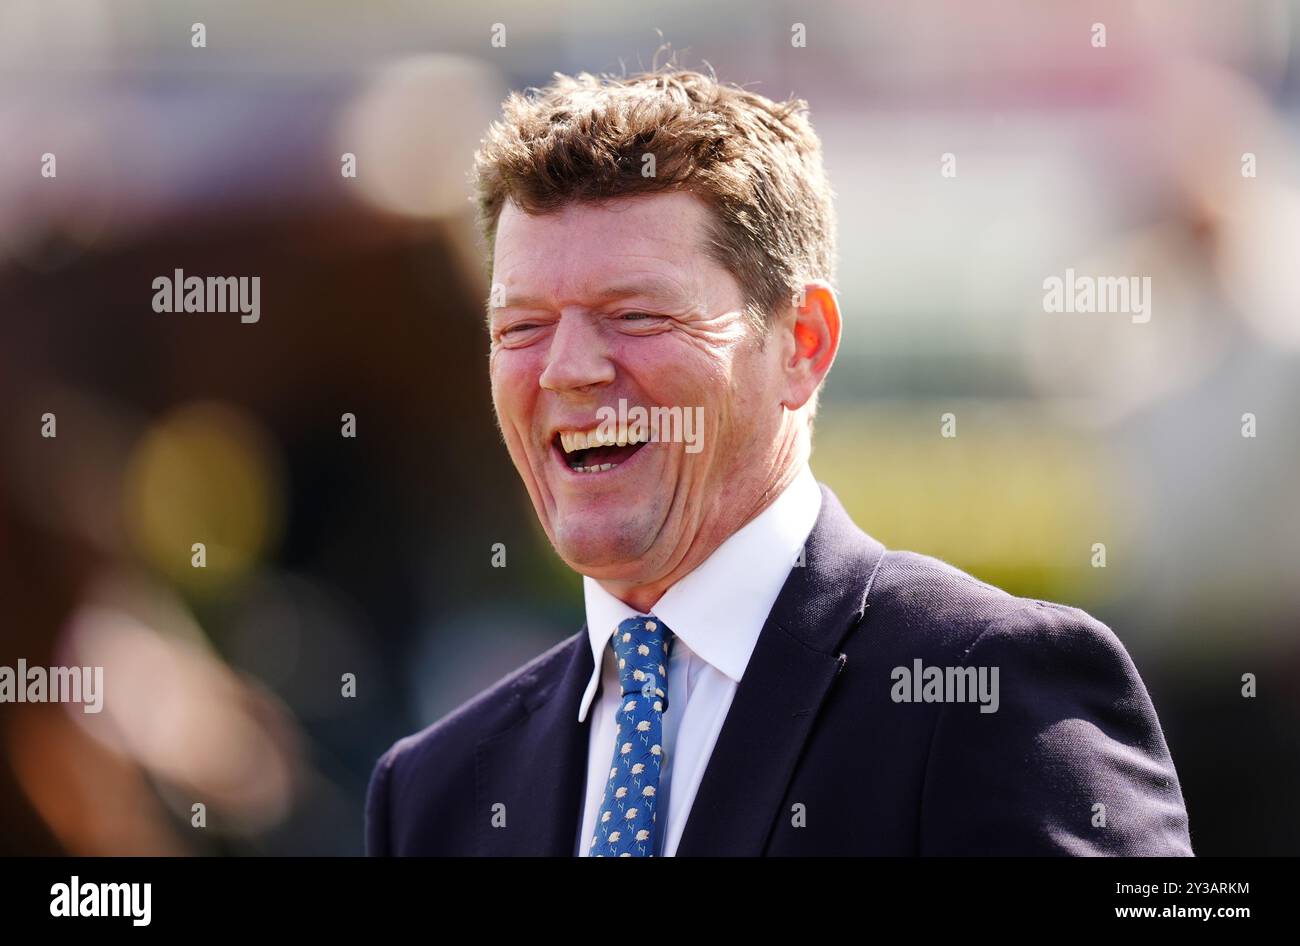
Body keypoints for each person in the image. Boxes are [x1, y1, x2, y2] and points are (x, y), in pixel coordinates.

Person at [365, 69, 1193, 856]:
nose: (567, 369)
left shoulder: (988, 689)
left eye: (639, 314)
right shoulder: (436, 789)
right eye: (520, 328)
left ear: (803, 343)